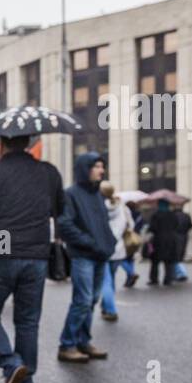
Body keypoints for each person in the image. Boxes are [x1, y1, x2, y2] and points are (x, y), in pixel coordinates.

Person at [0, 133, 63, 383]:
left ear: (1, 143)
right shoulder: (49, 172)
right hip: (36, 255)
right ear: (29, 143)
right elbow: (60, 211)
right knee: (28, 320)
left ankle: (11, 363)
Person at [57, 152, 115, 363]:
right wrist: (91, 243)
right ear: (85, 169)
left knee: (91, 300)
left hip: (100, 255)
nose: (101, 170)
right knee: (81, 300)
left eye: (102, 166)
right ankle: (67, 344)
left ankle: (83, 341)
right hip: (83, 255)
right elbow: (64, 225)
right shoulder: (70, 194)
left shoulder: (97, 194)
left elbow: (103, 224)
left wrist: (109, 243)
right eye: (97, 166)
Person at [98, 181, 133, 322]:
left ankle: (110, 309)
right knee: (111, 279)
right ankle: (106, 305)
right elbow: (131, 224)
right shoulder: (122, 207)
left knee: (105, 281)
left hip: (102, 248)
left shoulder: (98, 207)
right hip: (118, 250)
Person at [146, 199, 180, 287]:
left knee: (155, 261)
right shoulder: (172, 215)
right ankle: (168, 279)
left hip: (158, 240)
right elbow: (177, 225)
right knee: (169, 261)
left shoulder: (156, 215)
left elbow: (152, 228)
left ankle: (154, 279)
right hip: (171, 240)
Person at [172, 204, 192, 281]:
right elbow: (190, 225)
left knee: (175, 255)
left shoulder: (173, 216)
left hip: (175, 237)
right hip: (184, 236)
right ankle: (179, 272)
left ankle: (180, 273)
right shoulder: (187, 215)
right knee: (181, 255)